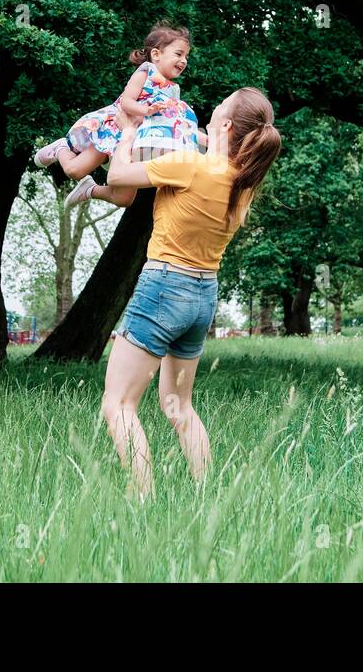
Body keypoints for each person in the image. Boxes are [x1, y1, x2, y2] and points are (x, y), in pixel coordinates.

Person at [96, 86, 282, 500]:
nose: (212, 110)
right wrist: (192, 132)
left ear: (227, 124)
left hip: (163, 288)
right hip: (202, 297)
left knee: (119, 404)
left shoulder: (188, 167)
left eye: (219, 107)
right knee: (178, 406)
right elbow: (213, 151)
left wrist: (128, 130)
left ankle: (141, 501)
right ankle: (206, 498)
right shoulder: (243, 183)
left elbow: (117, 177)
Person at [32, 21, 205, 208]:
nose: (184, 60)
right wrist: (145, 110)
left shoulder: (173, 90)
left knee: (124, 199)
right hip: (115, 132)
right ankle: (61, 148)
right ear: (156, 54)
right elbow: (126, 102)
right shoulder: (145, 73)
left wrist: (202, 139)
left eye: (186, 56)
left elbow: (175, 124)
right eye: (179, 54)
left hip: (136, 142)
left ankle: (89, 190)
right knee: (75, 170)